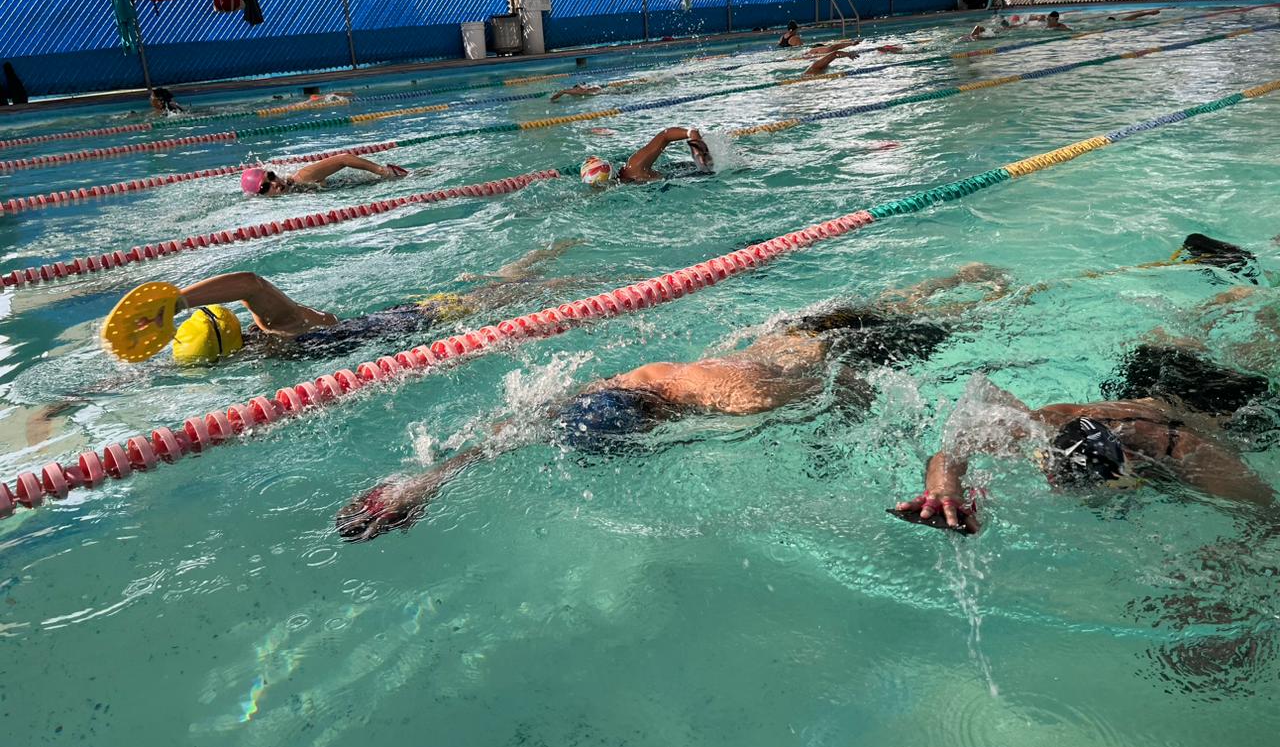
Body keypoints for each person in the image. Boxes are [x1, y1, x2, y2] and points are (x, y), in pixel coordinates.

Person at [335, 264, 1011, 541]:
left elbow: (844, 386)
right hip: (773, 341)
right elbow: (509, 431)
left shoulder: (727, 397)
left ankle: (983, 284)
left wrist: (841, 430)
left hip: (825, 341)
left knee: (932, 316)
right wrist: (424, 483)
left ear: (651, 421)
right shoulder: (601, 393)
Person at [892, 354, 1277, 534]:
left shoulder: (1195, 457)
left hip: (1219, 401)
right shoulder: (1047, 426)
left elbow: (1268, 518)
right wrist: (944, 489)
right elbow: (956, 444)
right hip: (1146, 380)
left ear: (1135, 467)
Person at [102, 241, 581, 365]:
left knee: (503, 289)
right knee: (515, 292)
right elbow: (249, 282)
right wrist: (180, 299)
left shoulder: (267, 350)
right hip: (410, 322)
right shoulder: (278, 328)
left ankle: (546, 257)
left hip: (393, 329)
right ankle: (568, 264)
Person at [579, 126, 713, 185]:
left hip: (685, 173)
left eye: (597, 186)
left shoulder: (634, 166)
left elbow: (665, 135)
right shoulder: (619, 184)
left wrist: (693, 137)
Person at [240, 154, 410, 196]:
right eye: (265, 187)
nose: (274, 183)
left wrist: (382, 171)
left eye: (271, 176)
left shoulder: (301, 178)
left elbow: (343, 159)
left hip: (371, 184)